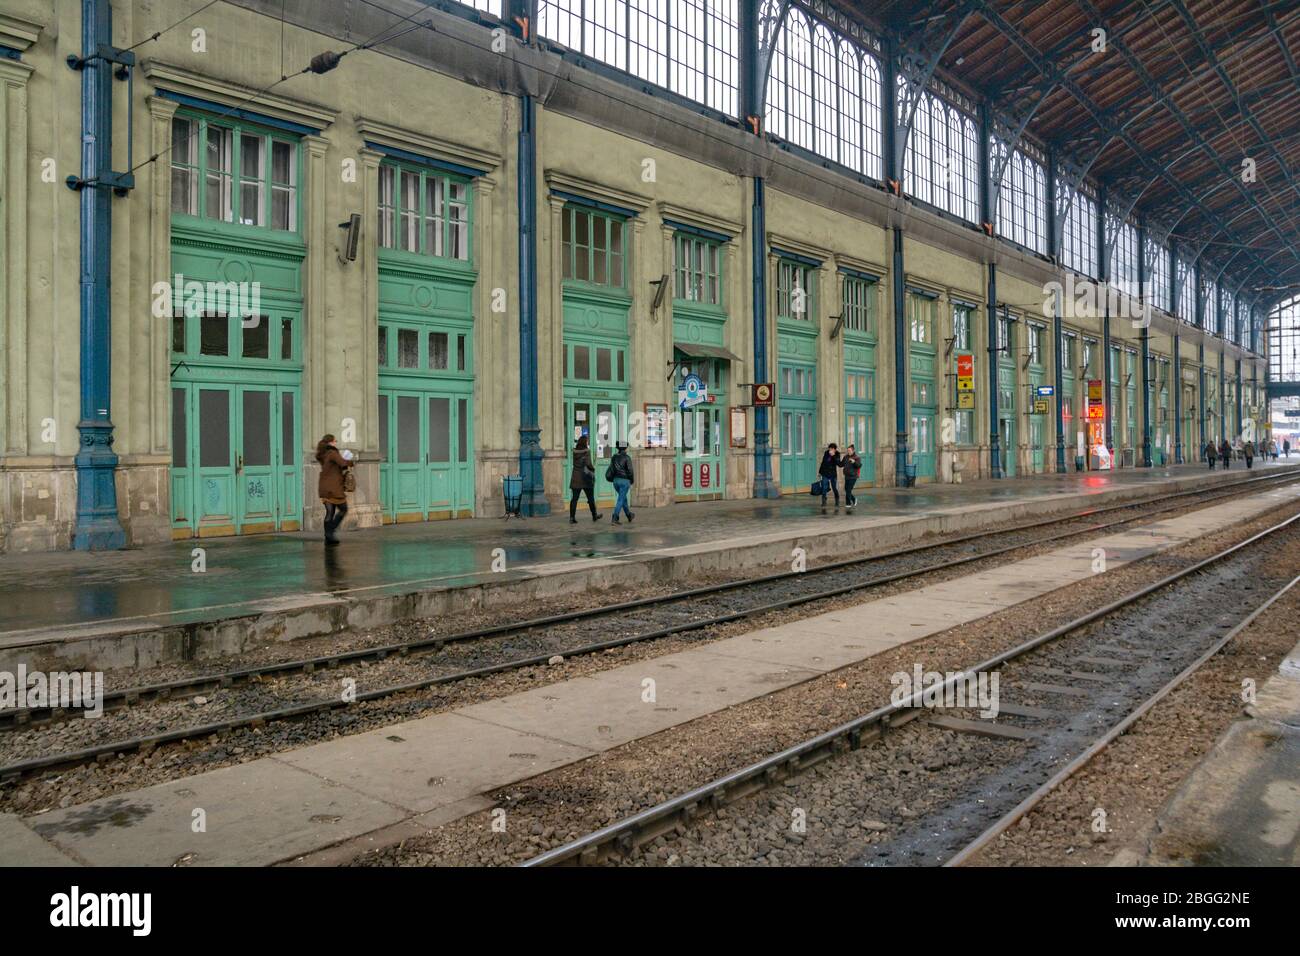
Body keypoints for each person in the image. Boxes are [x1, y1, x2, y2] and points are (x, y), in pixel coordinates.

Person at [316, 434, 353, 545]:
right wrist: (350, 461)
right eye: (335, 441)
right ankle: (330, 531)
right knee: (343, 509)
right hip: (333, 487)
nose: (336, 443)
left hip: (324, 487)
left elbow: (334, 466)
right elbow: (342, 463)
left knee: (330, 512)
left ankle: (328, 537)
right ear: (330, 442)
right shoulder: (332, 453)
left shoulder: (323, 454)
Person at [569, 434, 602, 524]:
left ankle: (572, 518)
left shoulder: (574, 452)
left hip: (575, 477)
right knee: (590, 498)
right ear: (585, 443)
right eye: (587, 441)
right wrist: (593, 469)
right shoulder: (587, 451)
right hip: (585, 478)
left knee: (574, 499)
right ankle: (594, 515)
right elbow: (588, 464)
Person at [607, 440, 635, 525]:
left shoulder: (614, 457)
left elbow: (611, 469)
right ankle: (615, 517)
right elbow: (630, 471)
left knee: (623, 499)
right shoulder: (627, 457)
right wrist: (632, 480)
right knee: (620, 499)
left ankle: (629, 515)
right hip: (624, 481)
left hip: (616, 481)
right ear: (625, 448)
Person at [818, 443, 842, 510]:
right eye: (829, 449)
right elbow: (823, 462)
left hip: (833, 474)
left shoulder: (837, 454)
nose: (830, 450)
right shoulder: (826, 453)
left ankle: (837, 500)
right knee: (824, 487)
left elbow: (839, 464)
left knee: (834, 488)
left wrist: (833, 455)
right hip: (825, 473)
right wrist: (820, 472)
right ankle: (824, 501)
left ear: (834, 449)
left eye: (831, 449)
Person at [842, 444, 862, 509]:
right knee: (846, 489)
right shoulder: (845, 457)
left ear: (853, 451)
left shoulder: (857, 458)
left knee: (848, 490)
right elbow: (841, 464)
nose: (849, 452)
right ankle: (853, 499)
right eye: (848, 450)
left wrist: (854, 462)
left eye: (850, 450)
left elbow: (859, 465)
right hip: (847, 476)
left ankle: (848, 503)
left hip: (853, 476)